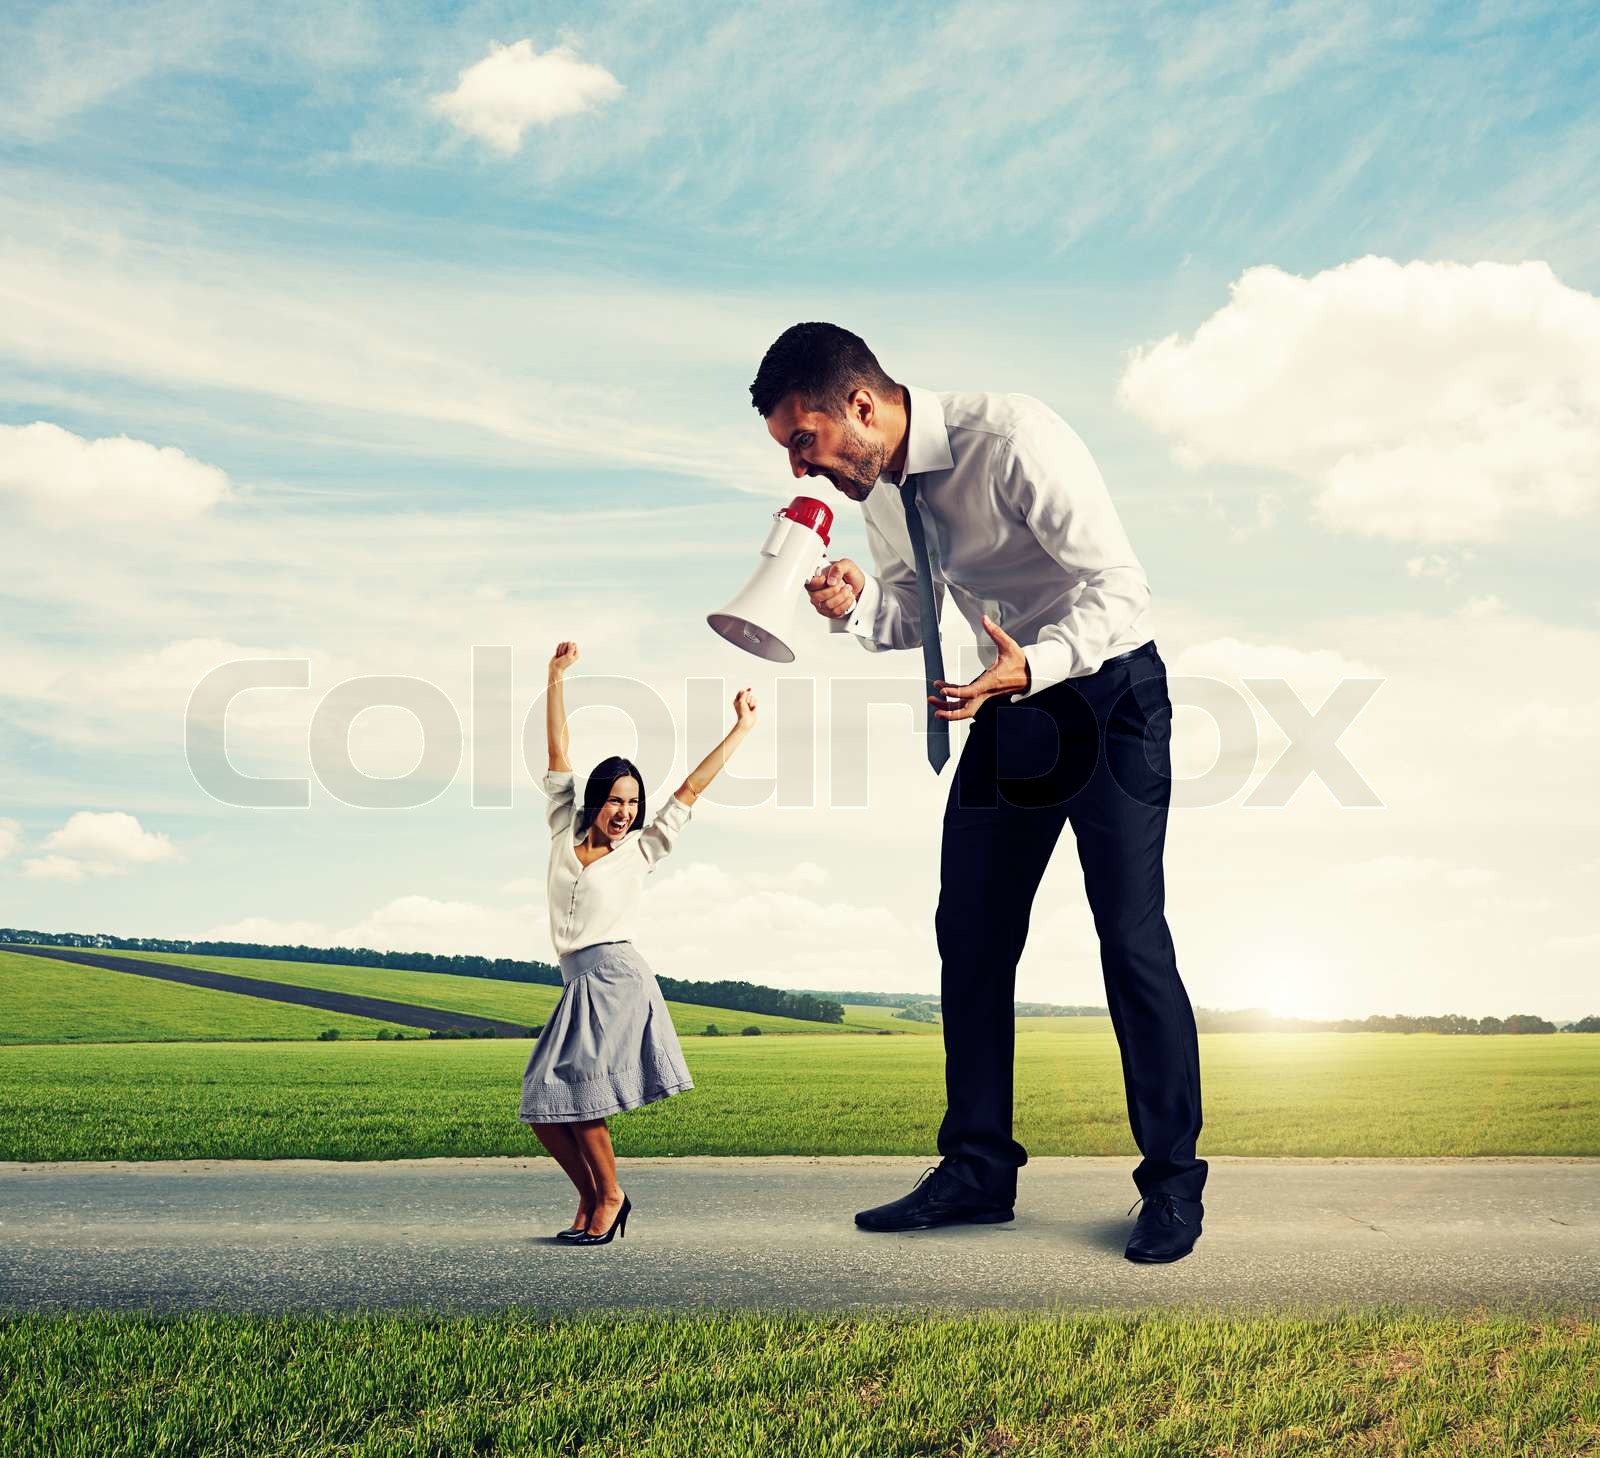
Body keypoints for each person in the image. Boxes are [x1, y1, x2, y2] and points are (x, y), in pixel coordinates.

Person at [749, 322, 1207, 1263]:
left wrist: (1035, 663)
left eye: (805, 440)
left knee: (1129, 937)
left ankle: (1172, 1186)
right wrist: (856, 603)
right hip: (1009, 705)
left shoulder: (1012, 438)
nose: (801, 467)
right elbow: (913, 612)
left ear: (861, 406)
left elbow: (1121, 587)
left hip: (1111, 696)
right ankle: (977, 1170)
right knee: (970, 933)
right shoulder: (880, 491)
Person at [521, 639, 757, 1245]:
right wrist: (555, 675)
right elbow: (557, 750)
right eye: (614, 800)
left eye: (632, 803)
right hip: (577, 982)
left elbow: (691, 789)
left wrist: (740, 728)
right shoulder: (563, 828)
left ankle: (610, 1197)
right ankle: (592, 1195)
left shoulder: (643, 850)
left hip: (618, 980)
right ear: (595, 800)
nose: (624, 812)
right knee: (542, 1104)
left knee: (581, 1099)